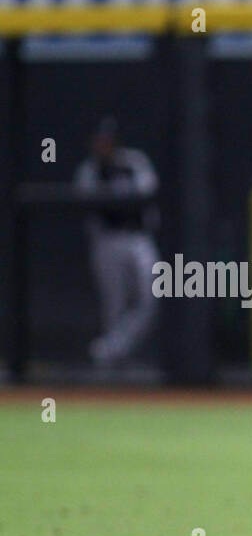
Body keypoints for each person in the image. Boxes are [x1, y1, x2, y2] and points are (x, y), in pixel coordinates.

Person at [74, 117, 161, 368]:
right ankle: (113, 363)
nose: (104, 145)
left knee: (152, 298)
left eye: (108, 141)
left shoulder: (134, 163)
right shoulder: (89, 170)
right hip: (107, 241)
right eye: (100, 140)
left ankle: (107, 349)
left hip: (138, 238)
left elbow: (149, 194)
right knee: (114, 306)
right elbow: (88, 208)